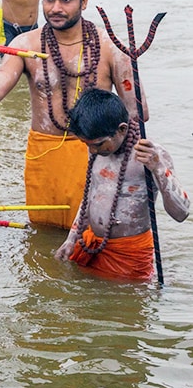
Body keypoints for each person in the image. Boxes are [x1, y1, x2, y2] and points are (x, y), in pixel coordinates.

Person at [0, 0, 144, 228]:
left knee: (94, 234)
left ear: (83, 2)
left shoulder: (110, 47)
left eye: (66, 0)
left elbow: (138, 114)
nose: (56, 8)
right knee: (43, 235)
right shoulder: (25, 45)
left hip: (97, 156)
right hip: (44, 158)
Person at [55, 89, 189, 280]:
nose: (93, 150)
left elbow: (182, 213)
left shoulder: (150, 155)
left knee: (128, 299)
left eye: (98, 144)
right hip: (92, 244)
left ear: (122, 129)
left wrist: (158, 168)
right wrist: (72, 238)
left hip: (130, 254)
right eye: (87, 144)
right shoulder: (97, 149)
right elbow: (90, 197)